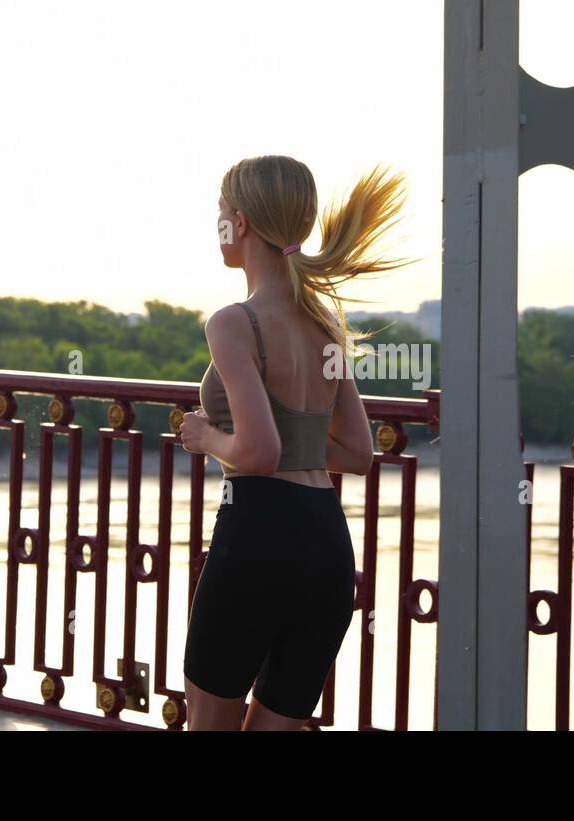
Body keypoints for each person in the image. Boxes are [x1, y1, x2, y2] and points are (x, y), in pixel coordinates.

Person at [179, 155, 414, 730]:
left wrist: (205, 434)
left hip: (258, 537)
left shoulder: (234, 323)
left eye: (220, 211)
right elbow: (358, 453)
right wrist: (291, 444)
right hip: (326, 547)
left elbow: (258, 454)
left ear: (243, 223)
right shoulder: (323, 321)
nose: (217, 223)